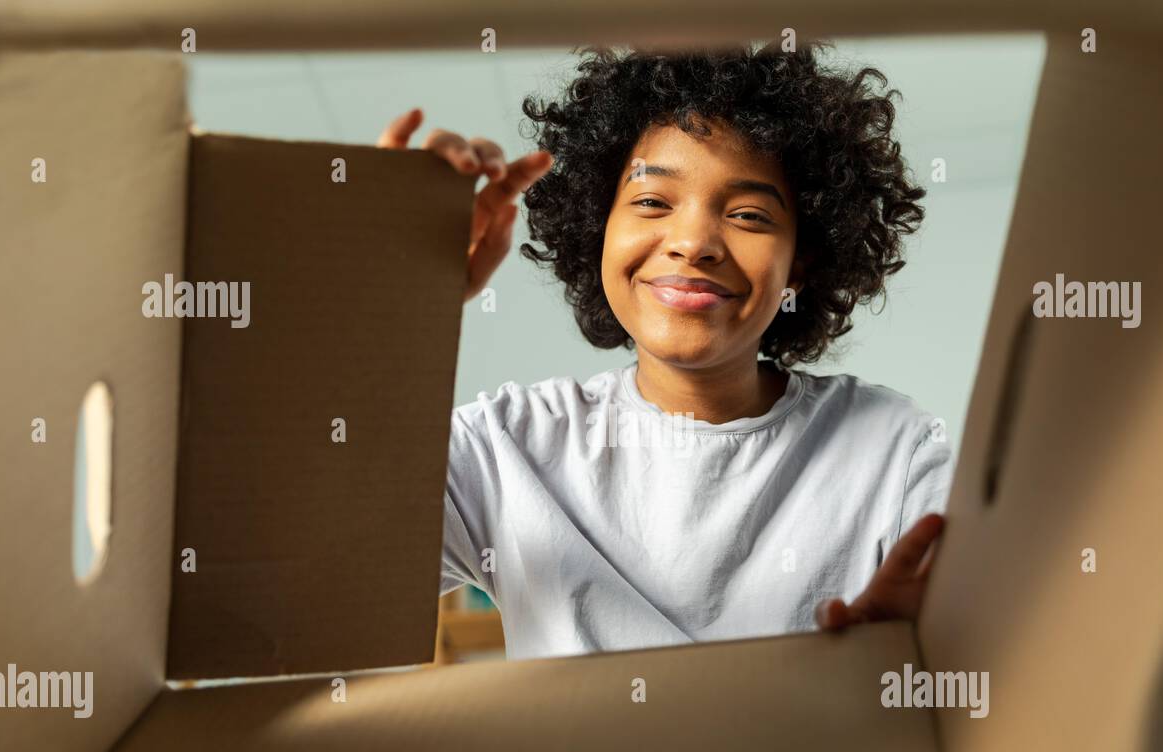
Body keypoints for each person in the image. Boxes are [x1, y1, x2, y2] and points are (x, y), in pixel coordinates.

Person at [378, 44, 952, 659]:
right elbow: (308, 577)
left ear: (801, 263)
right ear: (600, 226)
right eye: (652, 201)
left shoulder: (898, 452)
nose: (693, 242)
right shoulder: (502, 448)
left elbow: (1005, 656)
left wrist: (914, 650)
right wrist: (391, 303)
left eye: (750, 214)